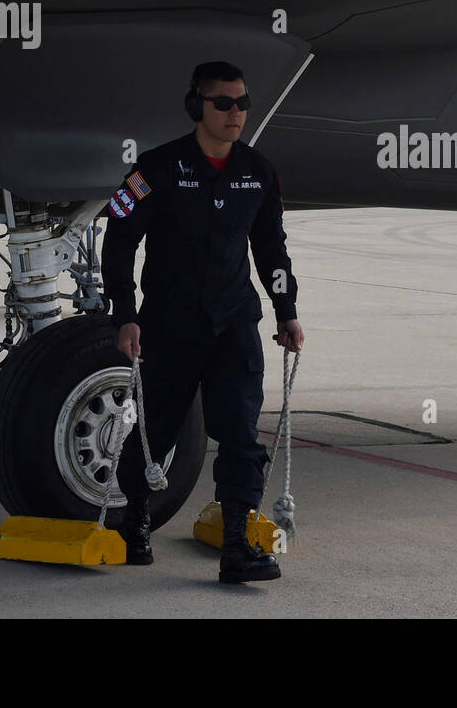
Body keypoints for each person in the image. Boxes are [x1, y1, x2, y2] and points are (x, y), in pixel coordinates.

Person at [100, 60, 304, 584]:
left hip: (234, 323)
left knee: (240, 433)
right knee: (156, 429)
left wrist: (286, 310)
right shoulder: (153, 169)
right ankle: (134, 523)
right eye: (223, 103)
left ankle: (236, 545)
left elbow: (272, 250)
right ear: (198, 106)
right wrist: (125, 316)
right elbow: (118, 240)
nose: (235, 113)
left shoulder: (258, 172)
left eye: (242, 103)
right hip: (170, 323)